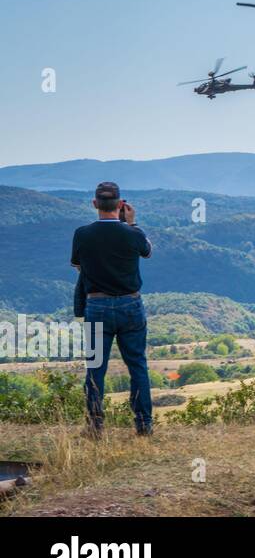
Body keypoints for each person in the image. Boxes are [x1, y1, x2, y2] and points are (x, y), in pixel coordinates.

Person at [71, 181, 154, 437]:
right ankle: (143, 425)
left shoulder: (82, 234)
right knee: (137, 365)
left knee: (96, 368)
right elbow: (147, 252)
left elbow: (77, 265)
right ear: (120, 205)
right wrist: (131, 223)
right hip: (131, 304)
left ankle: (95, 425)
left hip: (97, 305)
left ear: (95, 204)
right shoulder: (132, 234)